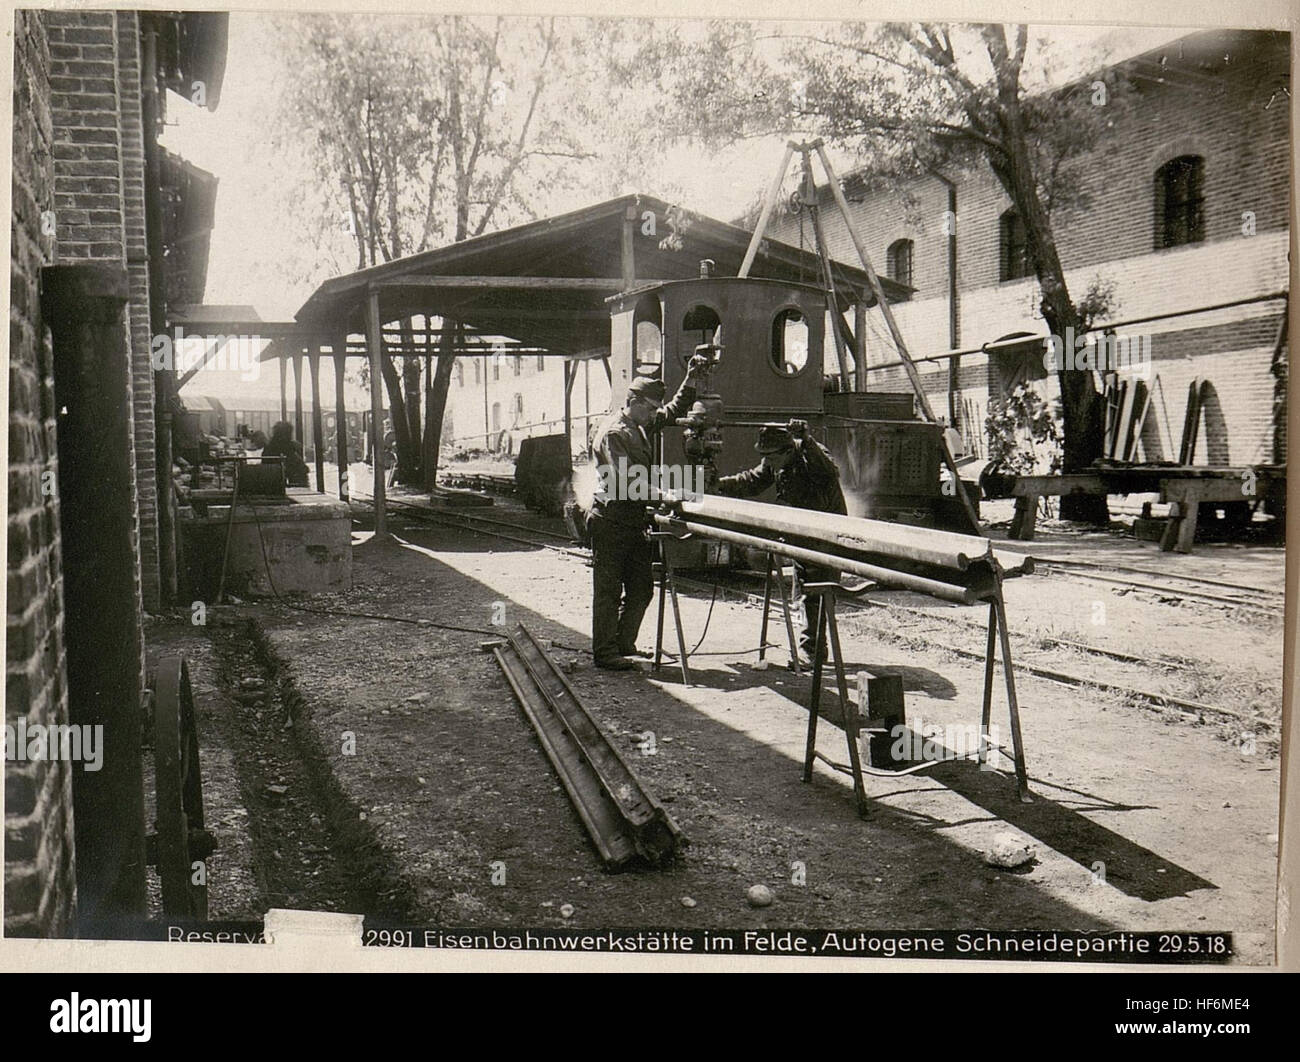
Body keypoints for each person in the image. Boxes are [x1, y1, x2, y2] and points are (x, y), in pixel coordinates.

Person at [588, 360, 707, 670]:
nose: (656, 414)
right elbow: (625, 480)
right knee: (609, 591)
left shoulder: (638, 423)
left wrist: (691, 378)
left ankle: (624, 644)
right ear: (633, 402)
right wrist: (663, 495)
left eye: (655, 409)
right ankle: (605, 653)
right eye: (651, 408)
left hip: (632, 519)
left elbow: (670, 411)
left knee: (641, 588)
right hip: (611, 520)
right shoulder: (616, 432)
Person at [714, 419, 847, 666]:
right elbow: (752, 480)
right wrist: (719, 485)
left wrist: (807, 440)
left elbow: (830, 471)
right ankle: (813, 651)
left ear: (788, 450)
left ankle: (812, 653)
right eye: (764, 457)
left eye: (771, 458)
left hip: (825, 536)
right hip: (801, 535)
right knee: (804, 592)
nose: (768, 462)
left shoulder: (810, 455)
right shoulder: (774, 459)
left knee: (815, 593)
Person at [261, 420, 310, 488]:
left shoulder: (269, 447)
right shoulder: (289, 447)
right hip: (289, 480)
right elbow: (298, 467)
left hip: (273, 482)